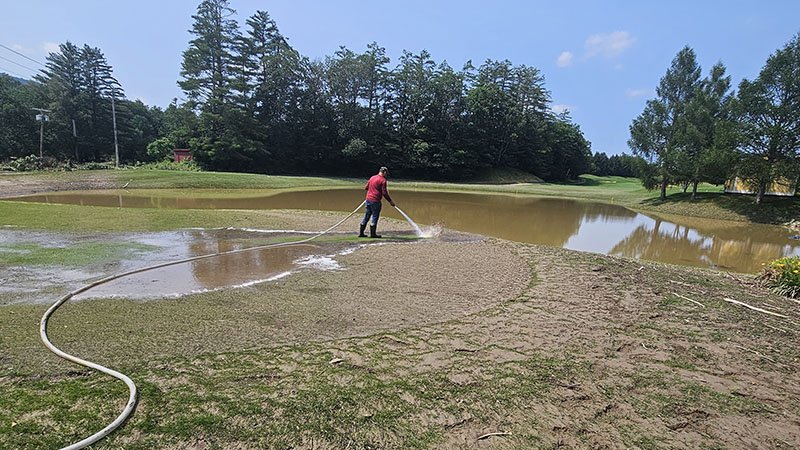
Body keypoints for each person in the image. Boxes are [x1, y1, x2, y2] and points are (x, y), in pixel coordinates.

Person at [359, 166, 395, 238]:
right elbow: (384, 193)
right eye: (386, 173)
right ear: (384, 172)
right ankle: (373, 234)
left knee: (366, 216)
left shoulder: (372, 177)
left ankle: (361, 234)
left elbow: (366, 188)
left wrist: (371, 192)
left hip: (368, 200)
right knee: (375, 217)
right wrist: (390, 201)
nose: (386, 175)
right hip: (375, 201)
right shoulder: (383, 180)